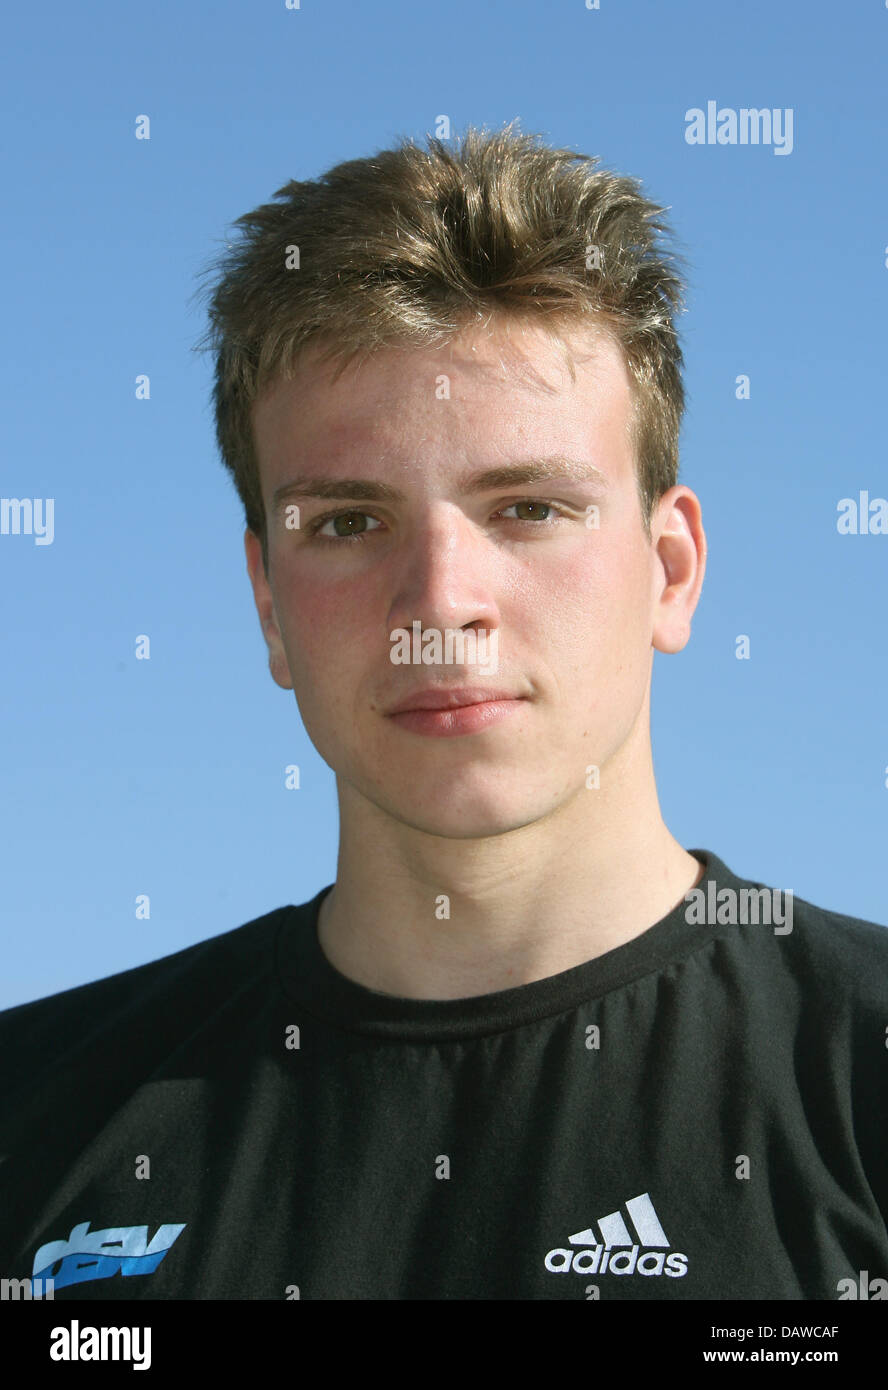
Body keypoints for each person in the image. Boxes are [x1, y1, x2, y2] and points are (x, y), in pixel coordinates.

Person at [1, 124, 885, 1302]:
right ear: (269, 604)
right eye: (350, 523)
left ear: (670, 569)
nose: (440, 605)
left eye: (526, 507)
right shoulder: (36, 1112)